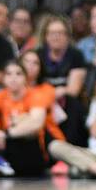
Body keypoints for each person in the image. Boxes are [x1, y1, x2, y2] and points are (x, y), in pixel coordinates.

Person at [36, 14, 88, 144]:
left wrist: (57, 92)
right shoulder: (38, 54)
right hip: (42, 101)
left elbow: (73, 90)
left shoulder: (76, 55)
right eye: (52, 33)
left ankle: (68, 147)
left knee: (72, 104)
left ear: (67, 36)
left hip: (67, 103)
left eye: (60, 33)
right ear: (46, 36)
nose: (56, 36)